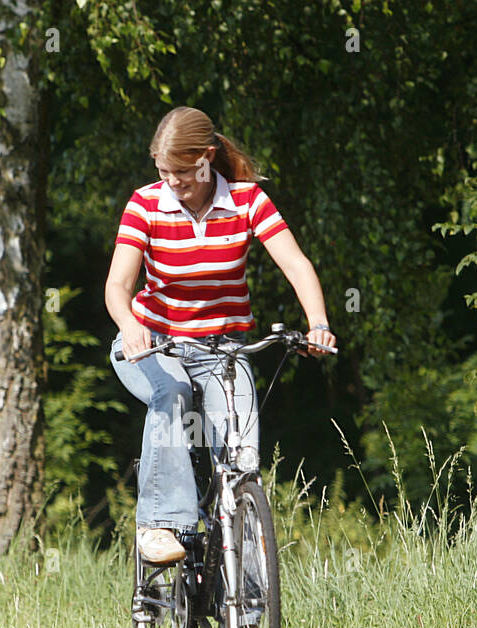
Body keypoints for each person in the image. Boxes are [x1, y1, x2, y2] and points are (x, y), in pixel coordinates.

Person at [106, 106, 336, 566]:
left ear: (208, 157)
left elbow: (296, 264)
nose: (172, 182)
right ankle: (160, 524)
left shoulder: (249, 202)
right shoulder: (145, 204)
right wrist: (130, 327)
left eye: (183, 173)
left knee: (242, 466)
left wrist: (319, 324)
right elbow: (117, 287)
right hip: (153, 342)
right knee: (170, 392)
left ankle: (249, 618)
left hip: (222, 350)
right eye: (163, 171)